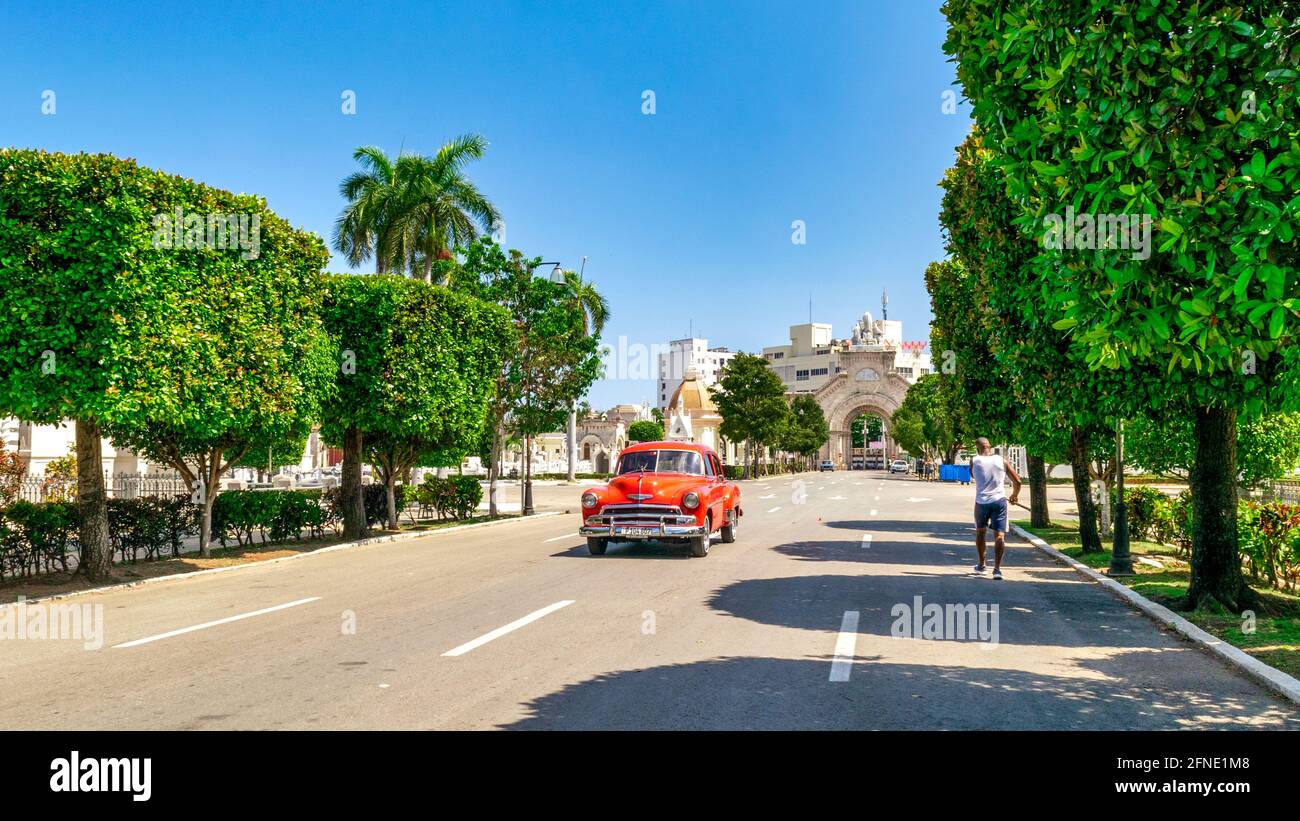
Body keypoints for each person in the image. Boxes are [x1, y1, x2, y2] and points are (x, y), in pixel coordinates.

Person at [970, 438, 1021, 580]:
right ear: (990, 447)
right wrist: (1014, 496)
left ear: (977, 447)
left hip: (981, 502)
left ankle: (981, 566)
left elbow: (973, 475)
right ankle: (997, 570)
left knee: (980, 532)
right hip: (999, 501)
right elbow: (1017, 481)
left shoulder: (974, 460)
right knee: (999, 536)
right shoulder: (1001, 460)